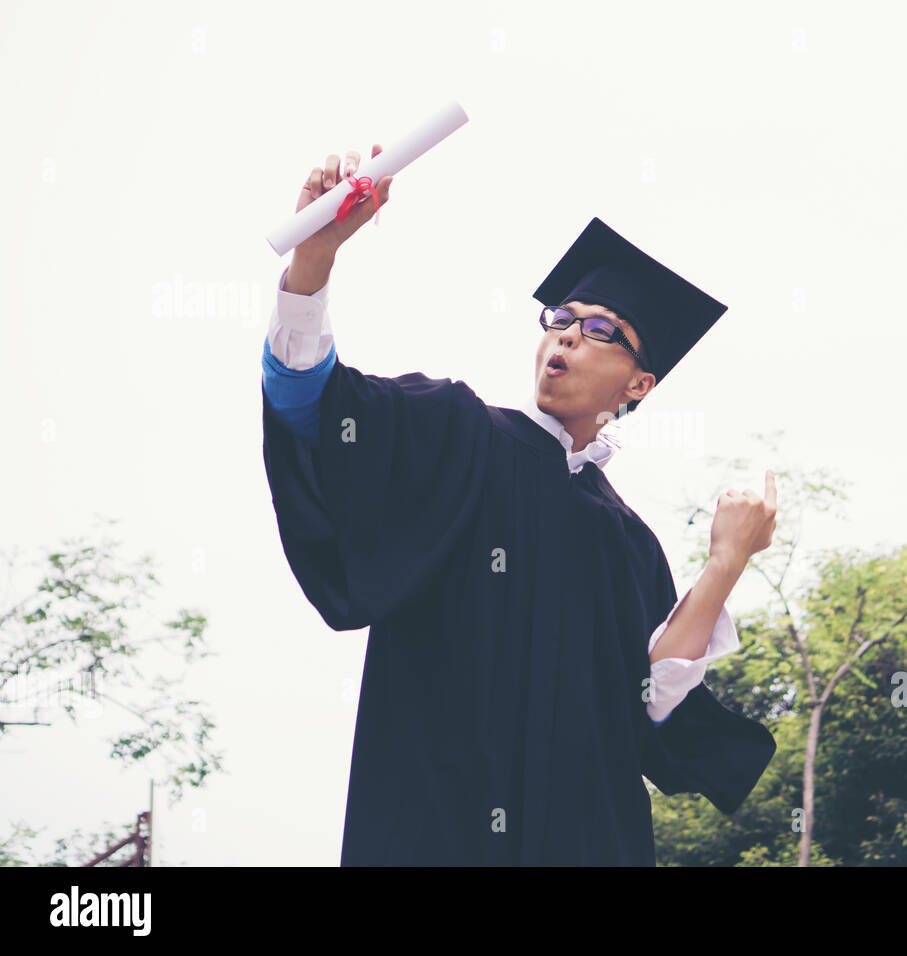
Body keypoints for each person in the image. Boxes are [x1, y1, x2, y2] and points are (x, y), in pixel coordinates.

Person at [261, 146, 778, 865]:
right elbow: (309, 405)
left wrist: (726, 563)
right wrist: (315, 260)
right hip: (435, 830)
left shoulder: (628, 540)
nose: (568, 332)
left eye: (601, 329)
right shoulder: (457, 431)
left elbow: (657, 711)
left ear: (639, 385)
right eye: (562, 317)